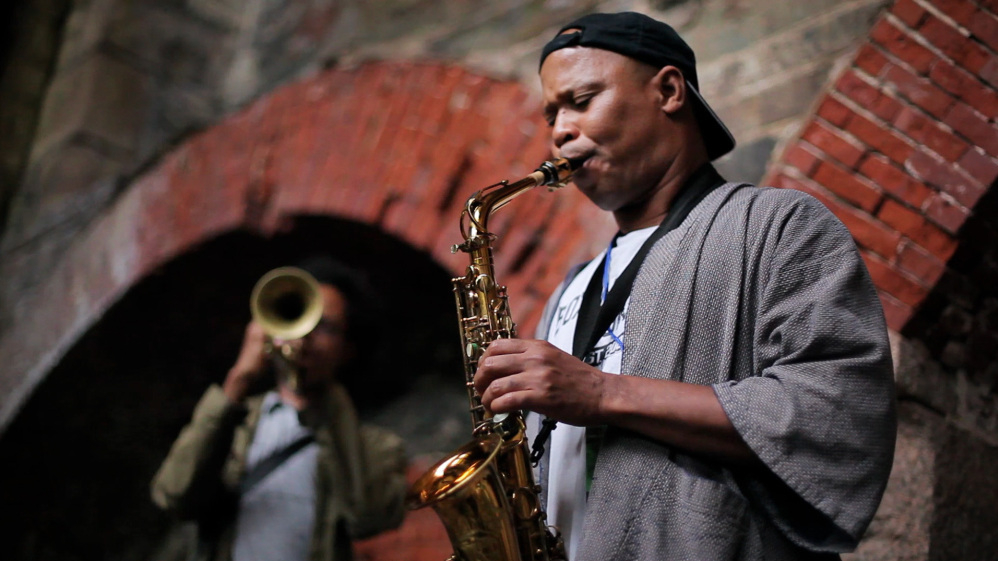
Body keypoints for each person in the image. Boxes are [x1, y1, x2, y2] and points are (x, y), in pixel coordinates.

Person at [473, 12, 896, 561]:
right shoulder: (571, 288)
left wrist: (601, 393)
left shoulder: (779, 225)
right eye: (553, 113)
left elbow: (837, 417)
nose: (559, 130)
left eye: (582, 100)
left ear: (669, 91)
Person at [151, 256, 407, 561]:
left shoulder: (375, 447)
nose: (306, 335)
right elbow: (173, 495)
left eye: (324, 326)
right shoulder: (233, 424)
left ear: (348, 349)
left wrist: (331, 399)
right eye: (297, 314)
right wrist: (238, 380)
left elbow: (369, 518)